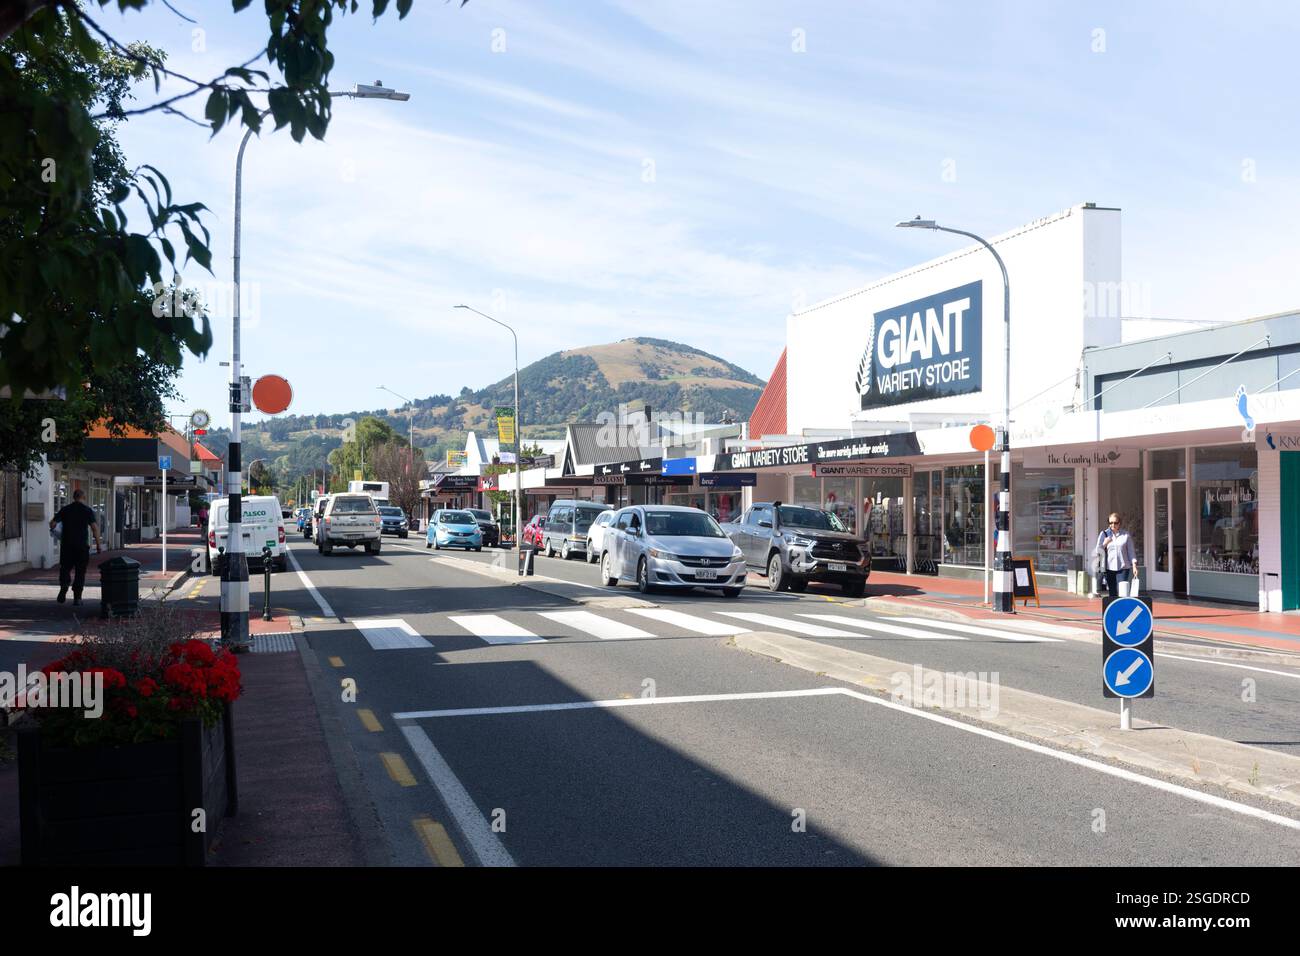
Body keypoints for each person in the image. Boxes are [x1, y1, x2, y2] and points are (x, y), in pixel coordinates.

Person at [49, 488, 102, 606]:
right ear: (83, 497)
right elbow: (94, 528)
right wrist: (98, 544)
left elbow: (52, 523)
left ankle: (64, 586)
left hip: (67, 545)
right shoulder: (87, 510)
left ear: (73, 497)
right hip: (81, 546)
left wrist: (56, 531)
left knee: (65, 568)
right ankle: (77, 597)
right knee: (80, 571)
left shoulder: (65, 510)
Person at [1094, 512, 1138, 598]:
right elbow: (1097, 551)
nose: (1112, 525)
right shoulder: (1104, 534)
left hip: (1123, 568)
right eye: (1110, 523)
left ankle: (1122, 610)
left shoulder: (1126, 535)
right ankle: (1114, 610)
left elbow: (1131, 551)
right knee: (1112, 593)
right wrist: (1105, 543)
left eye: (1115, 523)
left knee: (1122, 592)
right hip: (1109, 568)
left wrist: (1134, 566)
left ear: (1119, 523)